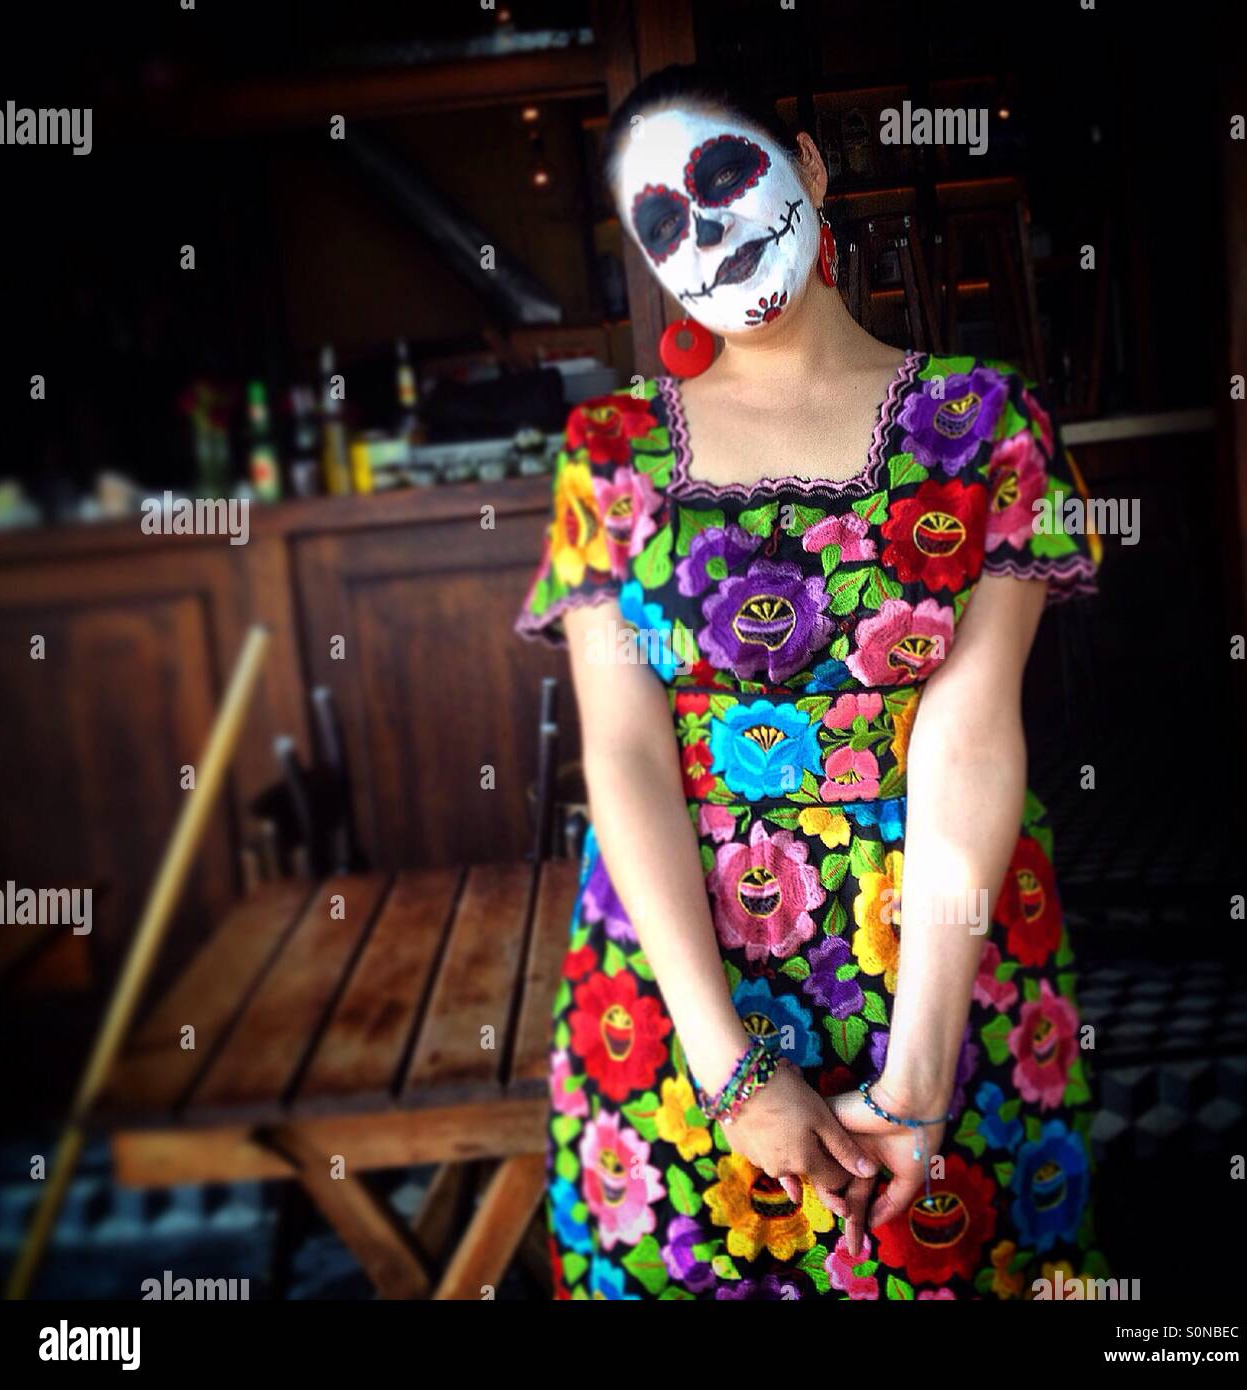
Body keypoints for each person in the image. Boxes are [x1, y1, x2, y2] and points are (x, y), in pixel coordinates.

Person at [514, 63, 1107, 1301]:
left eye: (726, 176)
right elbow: (620, 756)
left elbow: (969, 732)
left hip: (938, 969)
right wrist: (729, 1069)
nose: (709, 233)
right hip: (678, 988)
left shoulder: (985, 423)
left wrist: (920, 1073)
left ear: (809, 164)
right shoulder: (609, 453)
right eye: (663, 223)